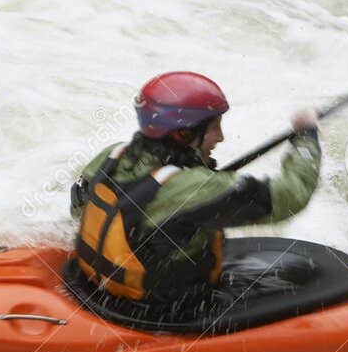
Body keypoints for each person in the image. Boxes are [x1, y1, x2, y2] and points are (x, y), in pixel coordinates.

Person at [69, 71, 321, 316]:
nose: (221, 137)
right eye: (214, 128)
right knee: (305, 274)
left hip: (97, 288)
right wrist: (306, 137)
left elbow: (80, 210)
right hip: (166, 309)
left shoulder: (112, 156)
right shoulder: (197, 188)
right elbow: (293, 193)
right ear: (183, 134)